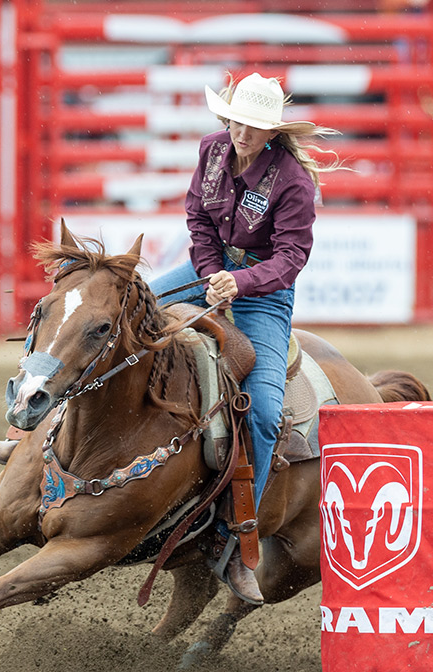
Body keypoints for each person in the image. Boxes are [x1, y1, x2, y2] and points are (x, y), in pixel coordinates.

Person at [148, 73, 335, 604]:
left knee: (266, 412)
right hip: (207, 272)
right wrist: (213, 276)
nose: (242, 133)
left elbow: (290, 258)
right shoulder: (212, 150)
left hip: (264, 296)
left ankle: (234, 537)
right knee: (123, 318)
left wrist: (241, 282)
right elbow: (198, 221)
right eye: (236, 122)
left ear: (272, 131)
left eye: (253, 126)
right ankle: (38, 436)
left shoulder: (293, 181)